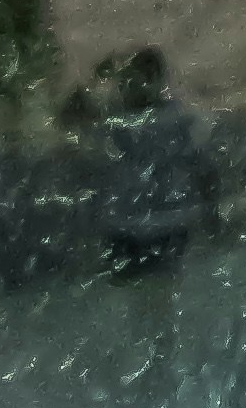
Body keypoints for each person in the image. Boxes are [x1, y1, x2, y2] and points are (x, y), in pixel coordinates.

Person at [92, 45, 219, 277]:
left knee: (160, 287)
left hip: (162, 223)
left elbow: (196, 162)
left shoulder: (170, 117)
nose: (141, 84)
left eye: (148, 77)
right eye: (134, 78)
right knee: (135, 290)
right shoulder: (117, 120)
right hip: (128, 225)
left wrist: (210, 208)